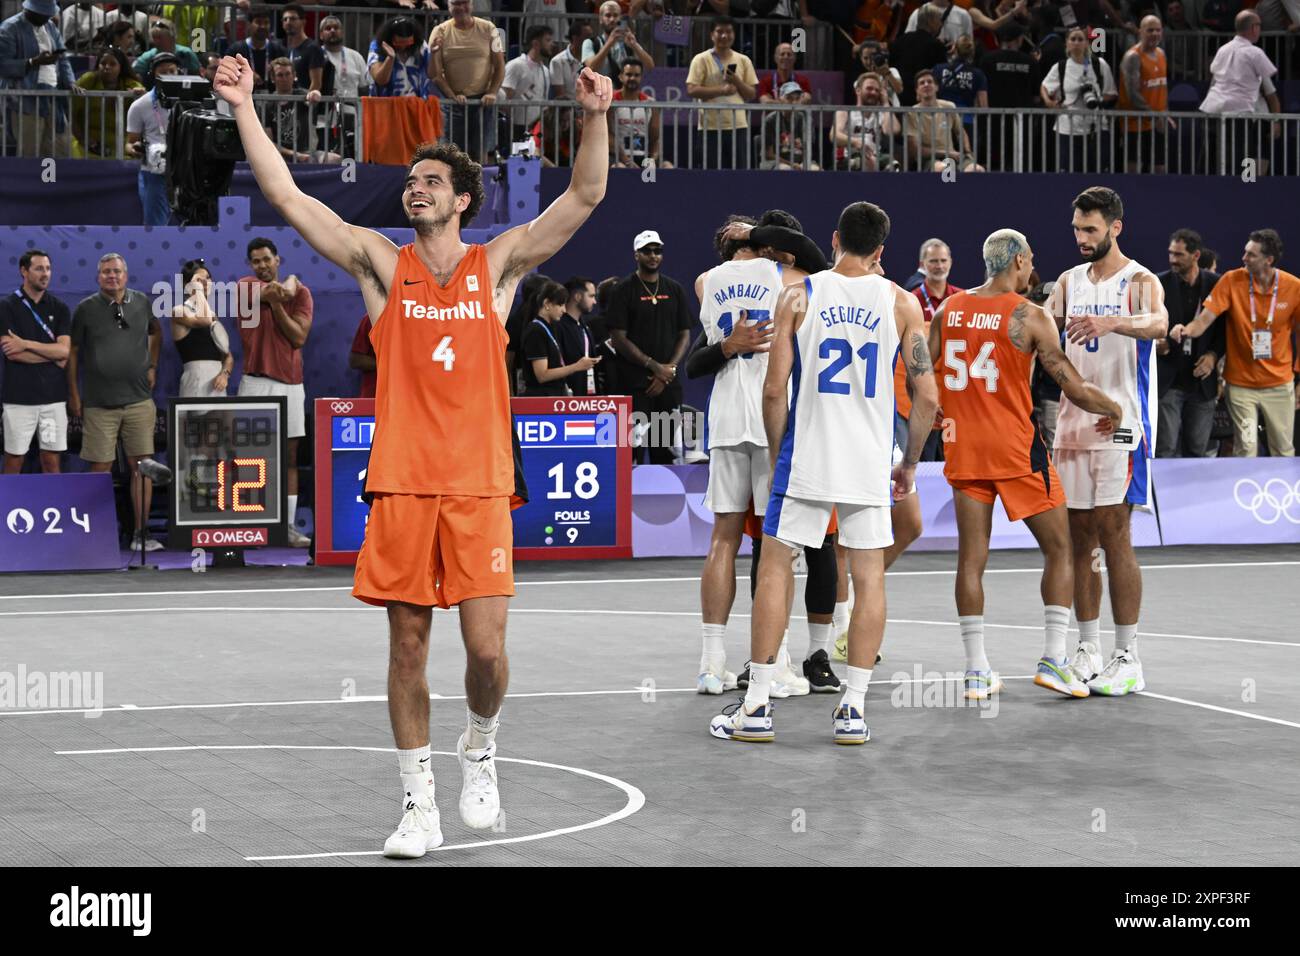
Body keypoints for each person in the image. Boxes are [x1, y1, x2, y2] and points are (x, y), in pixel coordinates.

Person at [213, 53, 613, 858]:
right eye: (413, 180)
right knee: (406, 645)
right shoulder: (379, 266)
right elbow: (288, 197)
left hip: (480, 482)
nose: (417, 187)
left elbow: (585, 195)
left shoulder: (495, 268)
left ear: (461, 200)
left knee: (489, 654)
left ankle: (482, 742)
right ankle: (417, 804)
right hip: (401, 483)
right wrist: (244, 106)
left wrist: (596, 116)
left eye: (432, 180)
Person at [709, 201, 938, 746]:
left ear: (834, 239)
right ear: (881, 251)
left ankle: (758, 704)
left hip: (808, 454)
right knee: (869, 576)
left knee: (774, 566)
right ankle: (853, 709)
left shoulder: (798, 295)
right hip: (867, 459)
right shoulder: (903, 303)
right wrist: (908, 462)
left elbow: (772, 388)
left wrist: (774, 450)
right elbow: (927, 395)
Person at [930, 229, 1121, 700]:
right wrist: (1114, 409)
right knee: (1061, 549)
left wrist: (934, 409)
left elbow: (917, 370)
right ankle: (1054, 660)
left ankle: (976, 670)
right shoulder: (1029, 316)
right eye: (1029, 259)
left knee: (971, 559)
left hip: (964, 451)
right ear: (1016, 261)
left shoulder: (948, 309)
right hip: (1017, 452)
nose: (1032, 266)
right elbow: (1072, 387)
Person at [692, 211, 821, 697]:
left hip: (725, 417)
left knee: (723, 536)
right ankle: (778, 661)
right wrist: (767, 242)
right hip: (772, 416)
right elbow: (815, 262)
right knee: (777, 545)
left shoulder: (706, 281)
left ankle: (710, 664)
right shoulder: (783, 278)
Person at [1051, 186, 1167, 697]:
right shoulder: (1068, 281)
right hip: (1074, 424)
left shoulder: (1139, 280)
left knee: (1114, 533)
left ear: (1116, 227)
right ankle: (1088, 647)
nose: (1081, 237)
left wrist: (1111, 321)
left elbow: (1159, 324)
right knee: (1078, 538)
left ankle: (1129, 656)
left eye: (1090, 229)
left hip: (1123, 426)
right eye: (1077, 228)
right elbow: (1036, 321)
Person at [1170, 229, 1297, 457]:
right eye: (1245, 252)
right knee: (1246, 448)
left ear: (1268, 260)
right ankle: (1247, 492)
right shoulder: (1231, 280)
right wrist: (1186, 330)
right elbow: (1204, 320)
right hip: (1240, 386)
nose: (1243, 258)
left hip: (1279, 385)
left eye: (1251, 255)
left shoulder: (1293, 287)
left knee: (1283, 449)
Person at [67, 254, 162, 551]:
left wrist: (152, 365)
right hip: (98, 403)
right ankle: (95, 535)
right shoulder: (85, 309)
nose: (112, 276)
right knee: (100, 467)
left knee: (141, 467)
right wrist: (73, 392)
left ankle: (141, 534)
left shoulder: (142, 303)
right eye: (106, 272)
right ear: (98, 277)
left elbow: (156, 332)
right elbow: (72, 352)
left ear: (126, 275)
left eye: (117, 271)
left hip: (138, 402)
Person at [234, 238, 313, 546]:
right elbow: (275, 291)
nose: (262, 265)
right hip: (254, 382)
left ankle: (289, 526)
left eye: (267, 259)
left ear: (277, 259)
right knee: (250, 457)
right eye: (256, 261)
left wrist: (283, 298)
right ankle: (250, 524)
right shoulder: (244, 287)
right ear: (250, 266)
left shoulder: (302, 294)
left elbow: (298, 338)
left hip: (291, 384)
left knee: (289, 457)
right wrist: (286, 290)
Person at [605, 230, 693, 464]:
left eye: (657, 251)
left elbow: (685, 332)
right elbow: (619, 338)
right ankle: (628, 500)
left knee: (666, 453)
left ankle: (666, 499)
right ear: (636, 255)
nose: (653, 256)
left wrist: (667, 371)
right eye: (647, 251)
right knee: (630, 454)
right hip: (635, 385)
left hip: (668, 385)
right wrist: (654, 367)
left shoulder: (674, 289)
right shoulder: (623, 290)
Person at [1, 249, 71, 474]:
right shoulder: (7, 306)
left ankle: (56, 507)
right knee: (14, 460)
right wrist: (51, 355)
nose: (45, 274)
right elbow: (12, 353)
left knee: (51, 460)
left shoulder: (59, 308)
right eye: (39, 268)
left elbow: (64, 351)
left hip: (53, 401)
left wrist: (26, 344)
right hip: (18, 400)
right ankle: (6, 508)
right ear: (24, 271)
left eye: (48, 269)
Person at [1156, 229, 1222, 458]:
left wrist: (1214, 356)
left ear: (1195, 256)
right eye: (1170, 253)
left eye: (1179, 254)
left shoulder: (1217, 284)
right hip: (1169, 379)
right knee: (1165, 449)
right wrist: (1159, 341)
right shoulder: (1158, 283)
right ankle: (1162, 495)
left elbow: (1224, 330)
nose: (1172, 259)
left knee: (1198, 450)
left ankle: (1195, 494)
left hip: (1201, 381)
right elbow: (1148, 323)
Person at [1199, 11, 1282, 176]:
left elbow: (1214, 75)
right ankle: (1248, 185)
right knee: (1246, 156)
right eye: (1259, 26)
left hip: (1212, 108)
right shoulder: (1255, 52)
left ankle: (1207, 188)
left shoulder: (1222, 49)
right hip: (1238, 112)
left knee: (1210, 155)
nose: (1260, 29)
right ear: (1253, 28)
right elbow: (1269, 73)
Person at [900, 237, 961, 460]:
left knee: (954, 461)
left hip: (954, 397)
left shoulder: (960, 299)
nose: (939, 266)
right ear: (922, 264)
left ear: (951, 262)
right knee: (923, 463)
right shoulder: (910, 301)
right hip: (920, 393)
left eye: (943, 260)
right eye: (933, 261)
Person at [431, 0, 505, 163]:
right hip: (453, 104)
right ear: (449, 5)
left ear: (472, 4)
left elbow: (500, 66)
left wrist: (492, 92)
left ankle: (481, 188)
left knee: (481, 154)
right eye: (455, 3)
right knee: (451, 156)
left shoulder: (490, 28)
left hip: (483, 102)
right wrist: (453, 96)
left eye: (464, 3)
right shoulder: (439, 31)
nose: (460, 8)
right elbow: (435, 74)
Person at [0, 0, 76, 158]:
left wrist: (70, 82)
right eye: (42, 14)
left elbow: (62, 59)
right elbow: (2, 64)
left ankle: (52, 182)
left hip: (53, 97)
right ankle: (30, 183)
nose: (46, 18)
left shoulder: (50, 27)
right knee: (30, 151)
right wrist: (33, 62)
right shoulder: (9, 28)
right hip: (24, 100)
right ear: (29, 10)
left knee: (59, 149)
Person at [1040, 26, 1117, 174]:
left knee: (1099, 173)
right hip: (1068, 128)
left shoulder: (1099, 64)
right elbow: (1044, 86)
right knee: (1068, 173)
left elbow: (1111, 93)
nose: (1076, 43)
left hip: (1097, 127)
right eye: (1073, 39)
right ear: (1067, 43)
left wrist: (1097, 99)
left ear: (1087, 43)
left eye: (1080, 39)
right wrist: (1049, 102)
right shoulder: (1060, 67)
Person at [685, 16, 758, 170]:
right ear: (712, 35)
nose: (724, 36)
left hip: (738, 127)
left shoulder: (744, 60)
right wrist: (721, 90)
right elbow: (691, 89)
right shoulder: (701, 59)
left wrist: (737, 81)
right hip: (709, 128)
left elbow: (751, 94)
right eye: (720, 32)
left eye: (729, 31)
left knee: (739, 174)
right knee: (710, 176)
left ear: (734, 34)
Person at [125, 53, 180, 226]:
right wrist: (134, 149)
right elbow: (130, 142)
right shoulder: (141, 105)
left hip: (185, 171)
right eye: (163, 72)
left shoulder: (192, 101)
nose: (169, 76)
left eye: (172, 71)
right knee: (156, 227)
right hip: (155, 170)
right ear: (153, 74)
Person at [520, 279, 601, 396]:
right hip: (541, 400)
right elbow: (542, 375)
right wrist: (576, 366)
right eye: (560, 304)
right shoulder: (536, 331)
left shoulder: (549, 328)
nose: (564, 310)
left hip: (555, 396)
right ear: (547, 304)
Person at [1116, 15, 1172, 174]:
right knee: (1134, 169)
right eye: (1150, 30)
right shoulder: (1132, 57)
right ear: (1140, 32)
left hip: (1156, 122)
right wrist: (1155, 115)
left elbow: (1162, 86)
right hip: (1135, 123)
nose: (1154, 33)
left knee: (1159, 168)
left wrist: (1165, 112)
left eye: (1158, 30)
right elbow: (1133, 94)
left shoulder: (1161, 54)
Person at [171, 259, 233, 398]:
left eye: (208, 278)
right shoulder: (179, 311)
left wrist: (224, 375)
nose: (205, 282)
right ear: (187, 285)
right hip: (194, 384)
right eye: (199, 279)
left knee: (226, 420)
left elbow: (228, 356)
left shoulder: (213, 315)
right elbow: (204, 320)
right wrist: (197, 289)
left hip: (218, 388)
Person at [72, 47, 144, 158]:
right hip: (88, 142)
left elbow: (144, 98)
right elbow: (71, 113)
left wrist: (141, 94)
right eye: (103, 63)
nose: (107, 67)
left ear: (121, 67)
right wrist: (85, 140)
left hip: (121, 142)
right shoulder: (89, 80)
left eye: (112, 64)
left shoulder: (129, 83)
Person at [904, 70, 982, 172]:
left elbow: (960, 132)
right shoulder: (912, 113)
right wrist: (945, 152)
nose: (926, 84)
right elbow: (915, 150)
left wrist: (968, 153)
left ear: (937, 87)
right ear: (917, 90)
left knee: (976, 169)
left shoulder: (949, 106)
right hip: (928, 159)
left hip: (952, 155)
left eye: (930, 81)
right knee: (944, 169)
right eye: (922, 83)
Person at [833, 72, 903, 171]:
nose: (873, 92)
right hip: (848, 157)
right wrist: (856, 142)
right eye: (869, 88)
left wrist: (886, 103)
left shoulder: (880, 115)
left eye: (877, 90)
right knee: (869, 161)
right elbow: (834, 135)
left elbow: (892, 131)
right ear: (858, 90)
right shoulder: (845, 112)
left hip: (875, 156)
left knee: (893, 165)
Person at [501, 25, 552, 148]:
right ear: (535, 44)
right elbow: (504, 98)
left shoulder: (545, 70)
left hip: (536, 128)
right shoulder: (515, 66)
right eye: (548, 40)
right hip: (516, 127)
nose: (552, 44)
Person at [556, 275, 607, 396]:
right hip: (568, 397)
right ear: (578, 297)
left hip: (589, 395)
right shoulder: (559, 326)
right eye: (591, 296)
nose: (594, 301)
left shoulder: (584, 326)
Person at [609, 59, 664, 170]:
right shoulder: (611, 102)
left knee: (668, 167)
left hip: (643, 157)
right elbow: (608, 136)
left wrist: (652, 160)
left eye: (636, 75)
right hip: (617, 157)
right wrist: (627, 162)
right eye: (628, 74)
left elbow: (655, 139)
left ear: (641, 77)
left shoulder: (650, 103)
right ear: (620, 76)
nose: (632, 78)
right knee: (619, 169)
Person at [582, 0, 654, 82]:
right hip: (599, 92)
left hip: (622, 93)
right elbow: (591, 68)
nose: (612, 19)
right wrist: (609, 43)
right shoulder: (590, 43)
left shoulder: (628, 43)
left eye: (615, 15)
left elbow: (650, 66)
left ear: (620, 18)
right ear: (601, 19)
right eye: (608, 15)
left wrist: (635, 45)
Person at [891, 4, 948, 106]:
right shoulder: (936, 46)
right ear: (931, 21)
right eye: (939, 20)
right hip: (924, 100)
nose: (941, 24)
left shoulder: (900, 41)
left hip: (900, 99)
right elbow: (942, 75)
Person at [367, 16, 432, 99]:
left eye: (408, 43)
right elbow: (381, 80)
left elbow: (432, 75)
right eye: (399, 43)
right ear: (391, 38)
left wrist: (434, 53)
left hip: (415, 104)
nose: (403, 47)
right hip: (386, 104)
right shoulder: (377, 46)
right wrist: (390, 58)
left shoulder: (421, 46)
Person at [226, 8, 287, 93]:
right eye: (258, 22)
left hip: (272, 102)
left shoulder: (279, 50)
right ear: (249, 25)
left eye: (266, 23)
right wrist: (244, 75)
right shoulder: (235, 50)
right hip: (242, 99)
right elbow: (227, 74)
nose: (262, 26)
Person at [132, 18, 201, 84]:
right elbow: (136, 75)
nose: (156, 41)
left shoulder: (186, 53)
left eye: (160, 37)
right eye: (154, 37)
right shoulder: (147, 57)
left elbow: (197, 75)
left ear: (172, 37)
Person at [549, 21, 589, 100]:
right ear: (575, 38)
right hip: (568, 109)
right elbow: (560, 95)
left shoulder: (591, 59)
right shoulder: (557, 61)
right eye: (587, 37)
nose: (590, 41)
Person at [348, 313, 377, 398]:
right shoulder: (373, 317)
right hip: (374, 397)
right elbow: (355, 359)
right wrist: (388, 365)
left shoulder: (416, 319)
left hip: (409, 398)